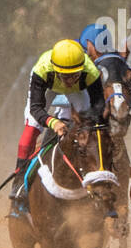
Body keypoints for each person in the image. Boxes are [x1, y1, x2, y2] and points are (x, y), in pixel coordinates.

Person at [9, 39, 106, 215]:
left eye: (74, 75)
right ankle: (19, 186)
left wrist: (85, 124)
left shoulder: (91, 72)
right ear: (55, 69)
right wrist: (53, 122)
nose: (69, 81)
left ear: (82, 70)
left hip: (79, 92)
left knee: (93, 130)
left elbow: (99, 106)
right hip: (48, 88)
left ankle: (101, 182)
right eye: (65, 76)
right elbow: (36, 108)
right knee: (28, 136)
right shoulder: (42, 70)